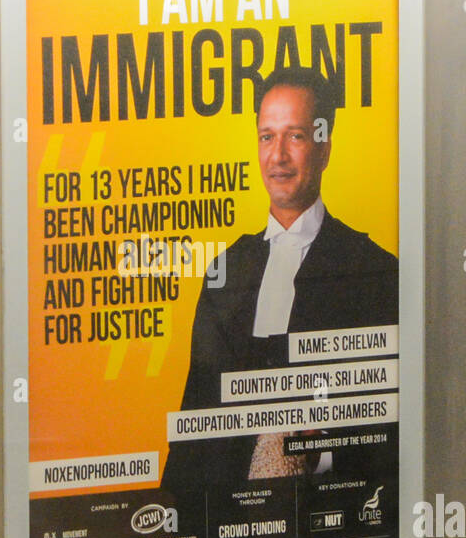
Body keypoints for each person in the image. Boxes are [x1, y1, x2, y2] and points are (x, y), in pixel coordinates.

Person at [161, 66, 398, 491]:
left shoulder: (375, 271)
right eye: (267, 136)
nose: (278, 156)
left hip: (327, 524)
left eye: (296, 135)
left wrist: (320, 450)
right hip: (226, 532)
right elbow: (193, 423)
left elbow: (394, 431)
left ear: (324, 148)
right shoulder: (225, 268)